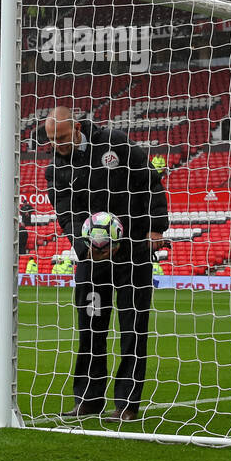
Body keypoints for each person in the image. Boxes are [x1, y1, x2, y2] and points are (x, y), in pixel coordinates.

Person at [45, 106, 168, 422]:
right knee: (90, 328)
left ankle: (127, 405)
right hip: (92, 258)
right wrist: (84, 246)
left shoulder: (115, 143)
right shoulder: (56, 168)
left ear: (76, 127)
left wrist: (157, 226)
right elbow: (66, 214)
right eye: (51, 140)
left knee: (132, 330)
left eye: (61, 137)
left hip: (133, 251)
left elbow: (150, 181)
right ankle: (87, 399)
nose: (57, 145)